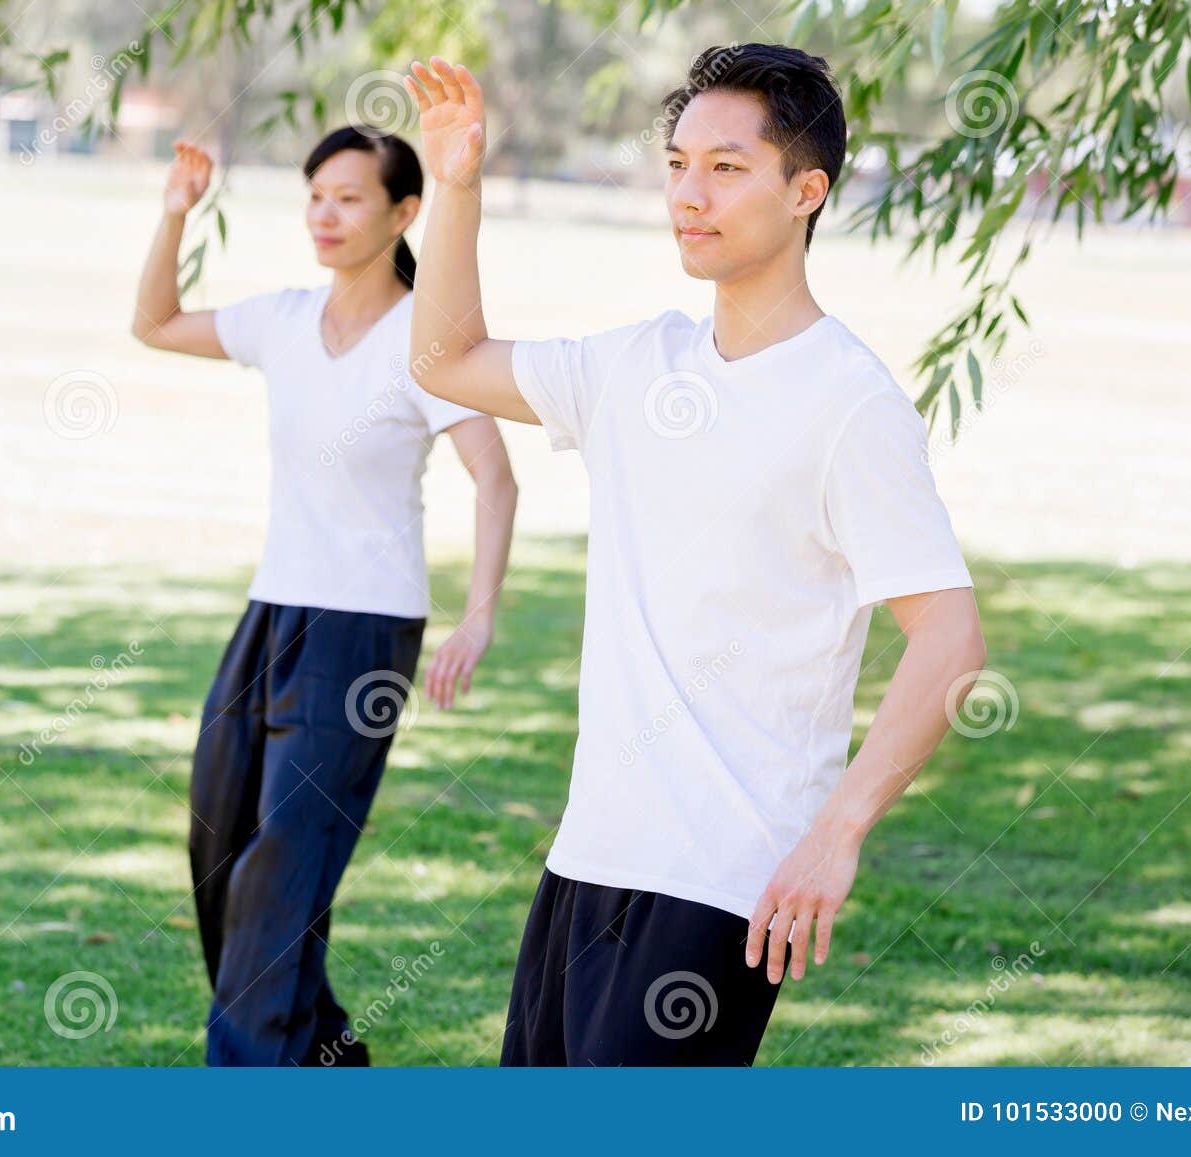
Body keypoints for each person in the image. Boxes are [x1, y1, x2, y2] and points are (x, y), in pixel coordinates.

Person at [402, 45, 988, 1066]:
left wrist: (836, 830)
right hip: (587, 856)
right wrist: (455, 188)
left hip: (723, 881)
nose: (688, 193)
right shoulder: (633, 365)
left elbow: (949, 639)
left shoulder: (848, 402)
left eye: (724, 167)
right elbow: (444, 359)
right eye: (676, 164)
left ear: (805, 190)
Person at [131, 126, 518, 1066]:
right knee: (222, 847)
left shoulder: (428, 341)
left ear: (404, 211)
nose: (326, 214)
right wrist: (176, 211)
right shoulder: (282, 319)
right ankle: (326, 1057)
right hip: (273, 610)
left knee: (281, 867)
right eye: (315, 195)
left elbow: (495, 478)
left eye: (349, 196)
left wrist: (477, 615)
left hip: (365, 630)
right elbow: (154, 323)